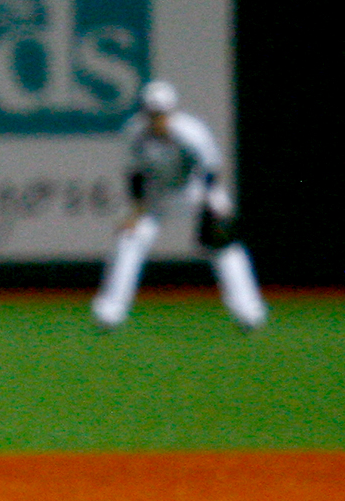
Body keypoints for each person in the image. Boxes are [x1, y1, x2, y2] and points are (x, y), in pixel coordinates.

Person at [91, 80, 267, 331]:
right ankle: (110, 313)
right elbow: (135, 175)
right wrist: (135, 211)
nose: (157, 119)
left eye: (161, 113)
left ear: (172, 111)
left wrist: (213, 206)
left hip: (194, 190)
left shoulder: (191, 131)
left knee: (224, 244)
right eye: (152, 114)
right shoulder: (134, 132)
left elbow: (211, 170)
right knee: (130, 238)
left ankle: (250, 312)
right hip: (157, 195)